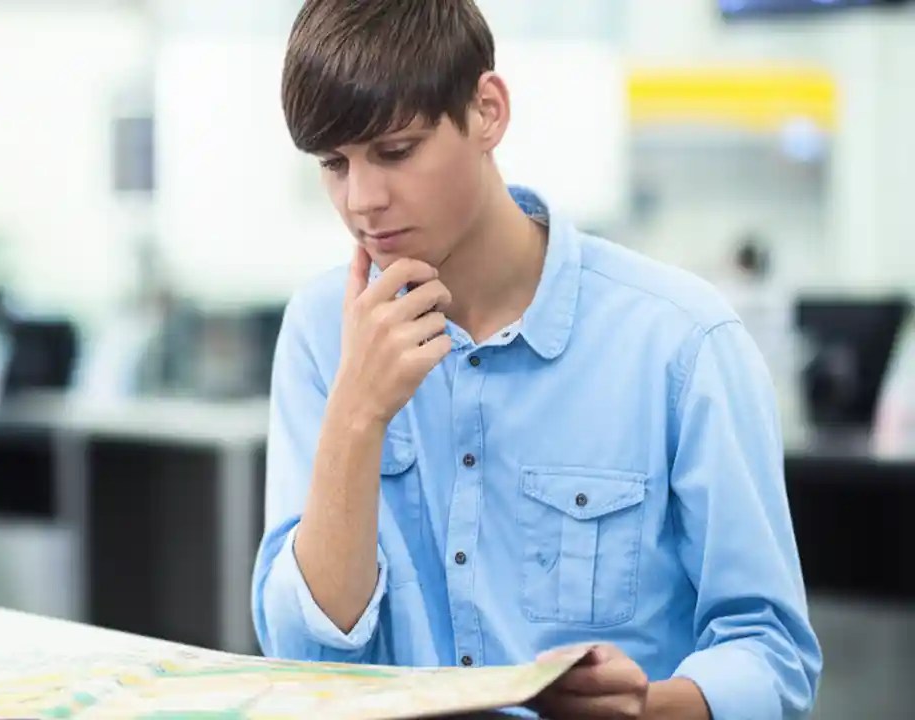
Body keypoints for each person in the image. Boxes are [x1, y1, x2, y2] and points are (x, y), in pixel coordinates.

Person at [250, 2, 821, 719]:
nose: (362, 200)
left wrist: (653, 706)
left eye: (396, 151)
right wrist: (358, 415)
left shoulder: (681, 342)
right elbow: (308, 663)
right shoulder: (320, 331)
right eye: (335, 164)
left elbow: (772, 655)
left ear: (487, 111)